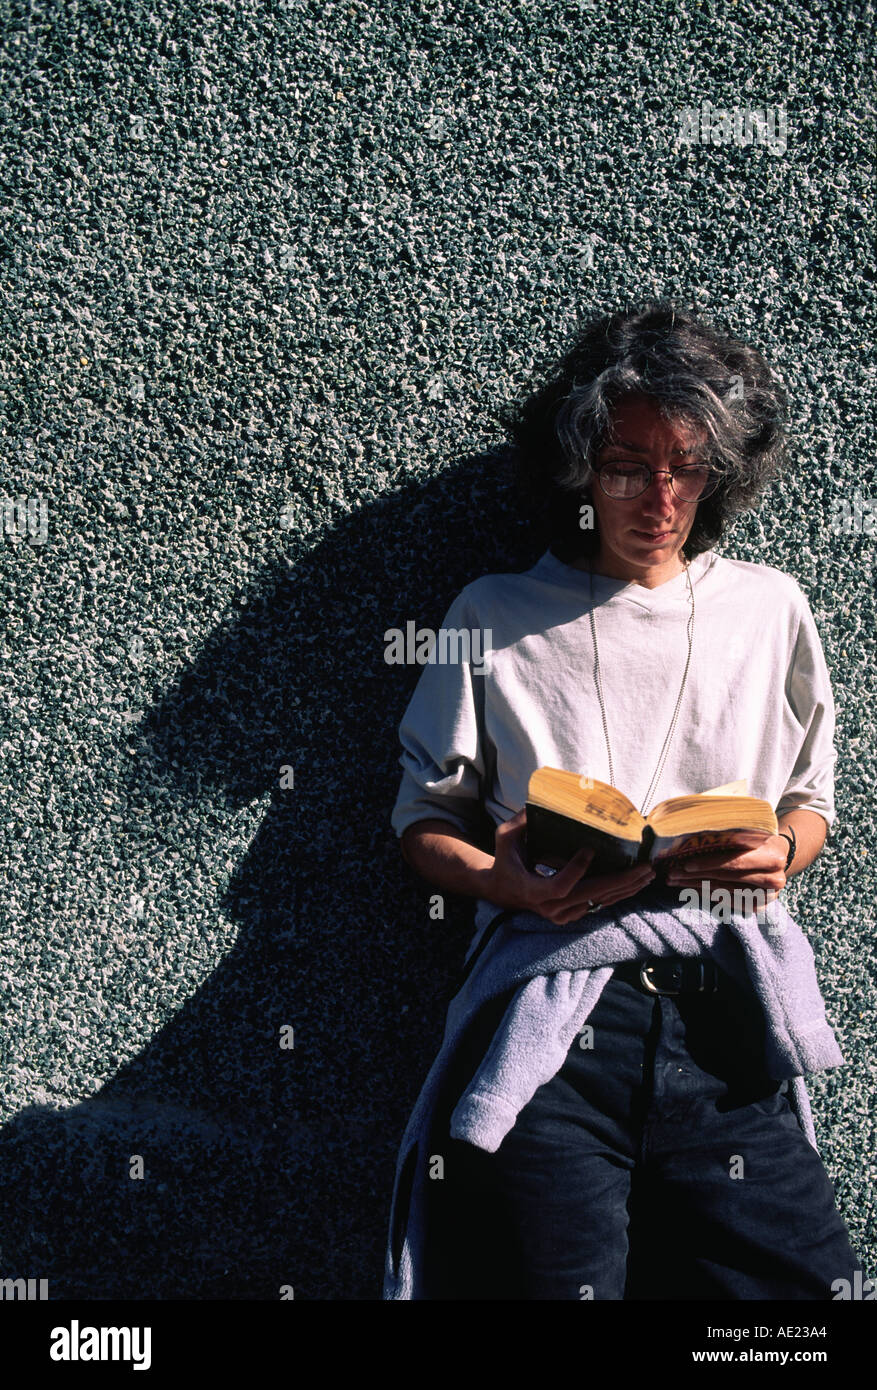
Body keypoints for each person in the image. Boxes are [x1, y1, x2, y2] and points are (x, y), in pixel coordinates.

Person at [384, 303, 863, 1300]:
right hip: (554, 1021)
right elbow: (423, 817)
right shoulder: (494, 613)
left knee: (794, 1295)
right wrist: (500, 879)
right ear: (577, 468)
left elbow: (808, 801)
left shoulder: (767, 609)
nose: (659, 495)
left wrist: (780, 851)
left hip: (724, 1009)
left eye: (686, 466)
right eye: (627, 465)